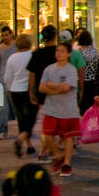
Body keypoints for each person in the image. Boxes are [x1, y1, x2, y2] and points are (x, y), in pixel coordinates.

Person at [38, 42, 81, 178]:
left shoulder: (71, 70)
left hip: (67, 109)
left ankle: (66, 163)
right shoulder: (49, 69)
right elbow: (41, 88)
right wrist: (56, 88)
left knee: (68, 136)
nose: (59, 53)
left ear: (68, 54)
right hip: (51, 109)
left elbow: (66, 88)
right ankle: (57, 155)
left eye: (62, 51)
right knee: (47, 135)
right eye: (57, 51)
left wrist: (51, 86)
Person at [26, 25, 61, 163]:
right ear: (55, 36)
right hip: (57, 91)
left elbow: (32, 74)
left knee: (48, 121)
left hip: (42, 90)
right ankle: (45, 151)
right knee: (53, 123)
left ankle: (46, 151)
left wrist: (31, 91)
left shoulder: (37, 53)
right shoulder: (60, 52)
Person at [4, 35, 36, 159]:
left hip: (15, 90)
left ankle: (29, 145)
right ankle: (21, 140)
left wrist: (8, 89)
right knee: (31, 118)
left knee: (21, 119)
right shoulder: (32, 56)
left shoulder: (12, 58)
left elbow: (7, 77)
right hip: (29, 90)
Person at [0, 26, 17, 138]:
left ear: (11, 34)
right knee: (2, 106)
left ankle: (23, 130)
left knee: (16, 106)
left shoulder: (17, 46)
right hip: (2, 79)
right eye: (3, 35)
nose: (5, 37)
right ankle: (3, 130)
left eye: (6, 35)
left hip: (15, 80)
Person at [76, 32, 99, 116]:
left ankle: (84, 121)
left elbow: (79, 70)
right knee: (92, 103)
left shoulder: (79, 53)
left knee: (83, 104)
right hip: (94, 81)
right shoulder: (95, 52)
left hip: (83, 80)